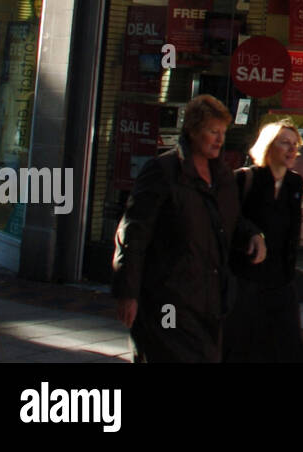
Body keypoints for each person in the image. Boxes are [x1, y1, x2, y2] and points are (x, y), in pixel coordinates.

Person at [112, 94, 266, 362]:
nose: (219, 139)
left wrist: (252, 234)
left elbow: (228, 220)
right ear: (193, 131)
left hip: (210, 302)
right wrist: (128, 293)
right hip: (169, 301)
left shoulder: (222, 176)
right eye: (212, 131)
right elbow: (133, 234)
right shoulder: (162, 171)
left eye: (222, 132)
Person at [223, 119, 303, 362]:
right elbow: (228, 219)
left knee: (291, 347)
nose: (292, 149)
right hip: (246, 280)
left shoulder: (295, 182)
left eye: (295, 144)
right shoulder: (245, 179)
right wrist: (251, 235)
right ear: (267, 146)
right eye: (285, 143)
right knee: (241, 345)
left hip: (280, 281)